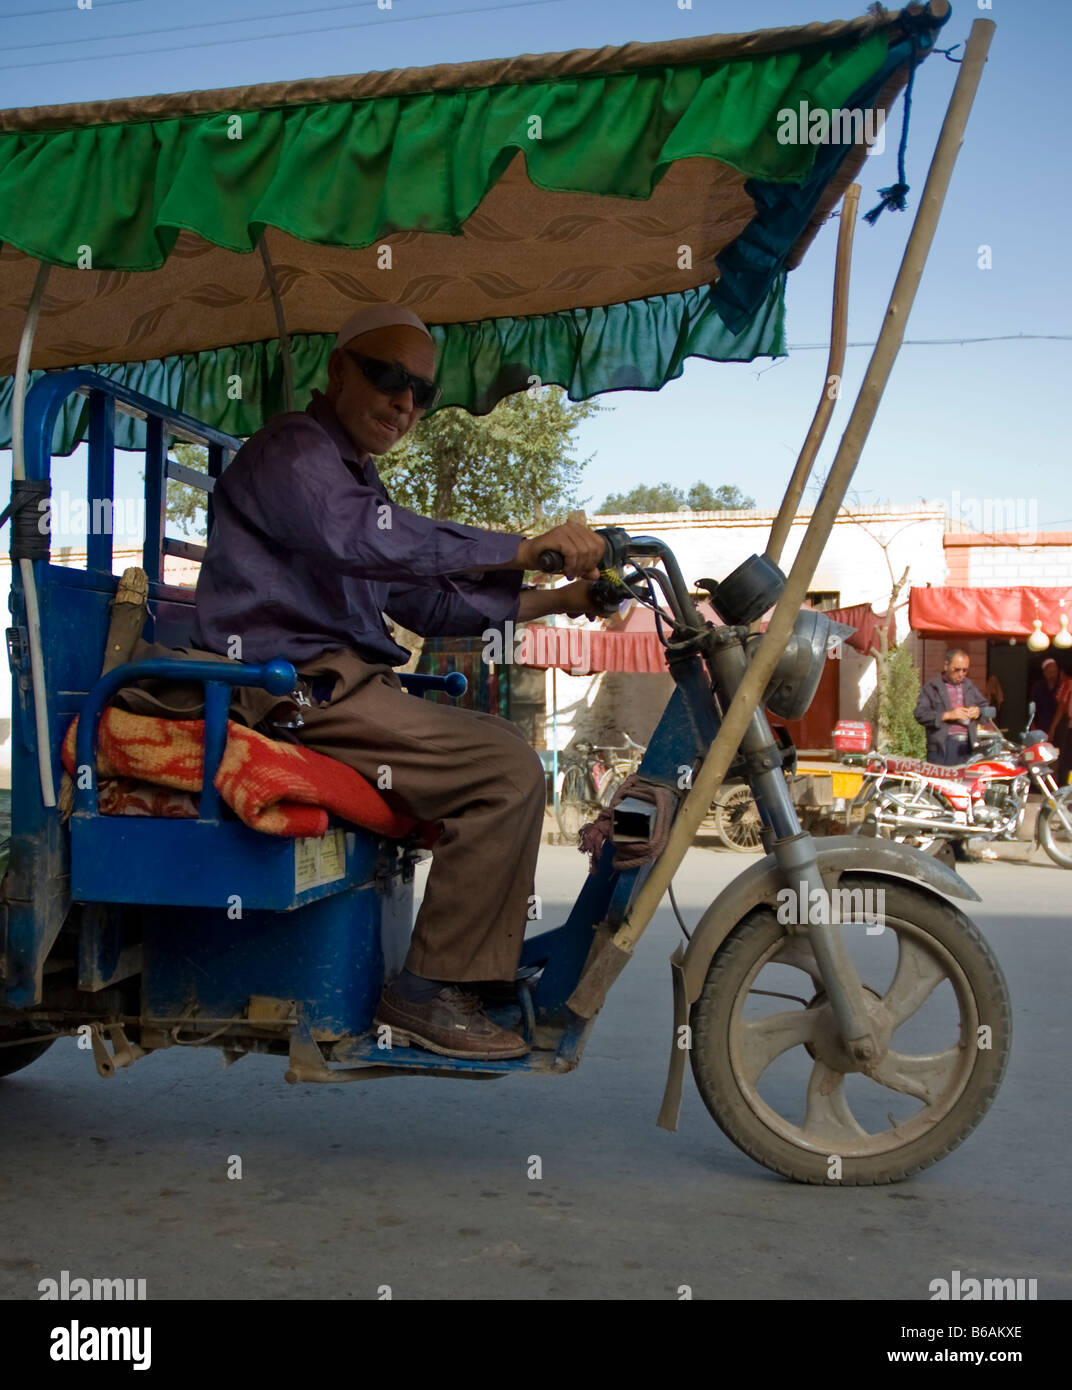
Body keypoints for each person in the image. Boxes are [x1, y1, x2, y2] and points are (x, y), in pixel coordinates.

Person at [190, 302, 607, 1059]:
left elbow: (427, 602)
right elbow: (364, 539)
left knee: (501, 747)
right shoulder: (294, 453)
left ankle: (461, 969)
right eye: (389, 379)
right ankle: (427, 993)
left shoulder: (356, 481)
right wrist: (523, 546)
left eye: (422, 392)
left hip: (340, 687)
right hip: (290, 689)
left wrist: (561, 598)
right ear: (339, 371)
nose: (405, 403)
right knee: (506, 767)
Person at [913, 649, 992, 766]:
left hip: (967, 746)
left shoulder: (968, 686)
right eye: (957, 669)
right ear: (946, 666)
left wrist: (978, 711)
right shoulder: (932, 687)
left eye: (965, 670)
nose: (961, 674)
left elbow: (986, 707)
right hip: (942, 746)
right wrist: (948, 715)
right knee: (942, 783)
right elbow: (920, 714)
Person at [1030, 657, 1061, 734]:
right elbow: (1031, 706)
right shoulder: (1038, 687)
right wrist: (1032, 726)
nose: (1052, 675)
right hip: (1040, 726)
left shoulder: (1061, 686)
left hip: (1058, 728)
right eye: (1050, 672)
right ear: (1044, 672)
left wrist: (1053, 729)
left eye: (1054, 672)